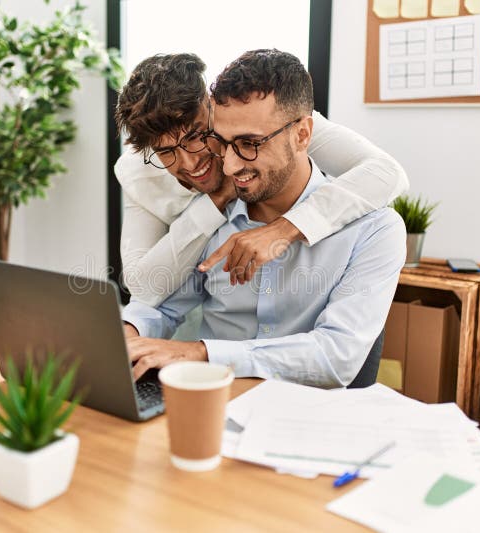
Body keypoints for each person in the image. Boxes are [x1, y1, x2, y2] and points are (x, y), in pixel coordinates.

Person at [121, 49, 406, 388]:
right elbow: (160, 302)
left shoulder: (374, 230)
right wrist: (129, 333)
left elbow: (335, 356)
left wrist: (202, 353)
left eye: (248, 144)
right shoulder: (210, 217)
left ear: (302, 136)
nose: (226, 167)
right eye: (223, 144)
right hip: (214, 407)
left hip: (308, 418)